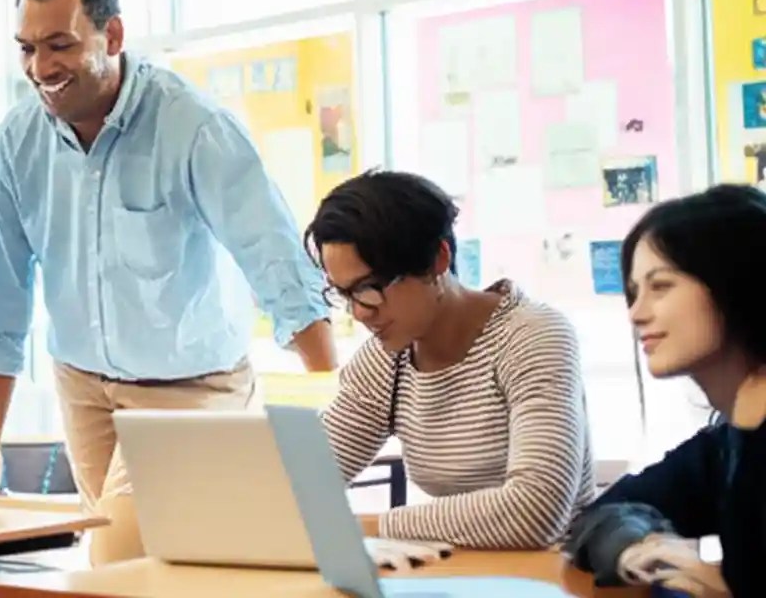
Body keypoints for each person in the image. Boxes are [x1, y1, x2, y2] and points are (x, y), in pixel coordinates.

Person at [0, 0, 335, 564]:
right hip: (83, 388)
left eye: (60, 45)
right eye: (26, 48)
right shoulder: (14, 146)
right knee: (165, 568)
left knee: (116, 560)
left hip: (191, 387)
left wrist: (328, 410)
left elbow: (277, 263)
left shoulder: (193, 127)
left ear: (114, 35)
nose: (41, 67)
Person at [306, 170, 595, 549]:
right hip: (457, 571)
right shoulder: (387, 360)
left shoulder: (531, 337)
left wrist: (364, 528)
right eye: (344, 294)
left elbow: (535, 510)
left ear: (437, 260)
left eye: (369, 288)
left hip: (552, 572)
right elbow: (306, 483)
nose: (359, 313)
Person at [564, 184, 766, 598]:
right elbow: (603, 514)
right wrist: (643, 551)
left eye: (661, 286)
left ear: (735, 283)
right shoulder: (728, 442)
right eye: (635, 293)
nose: (636, 314)